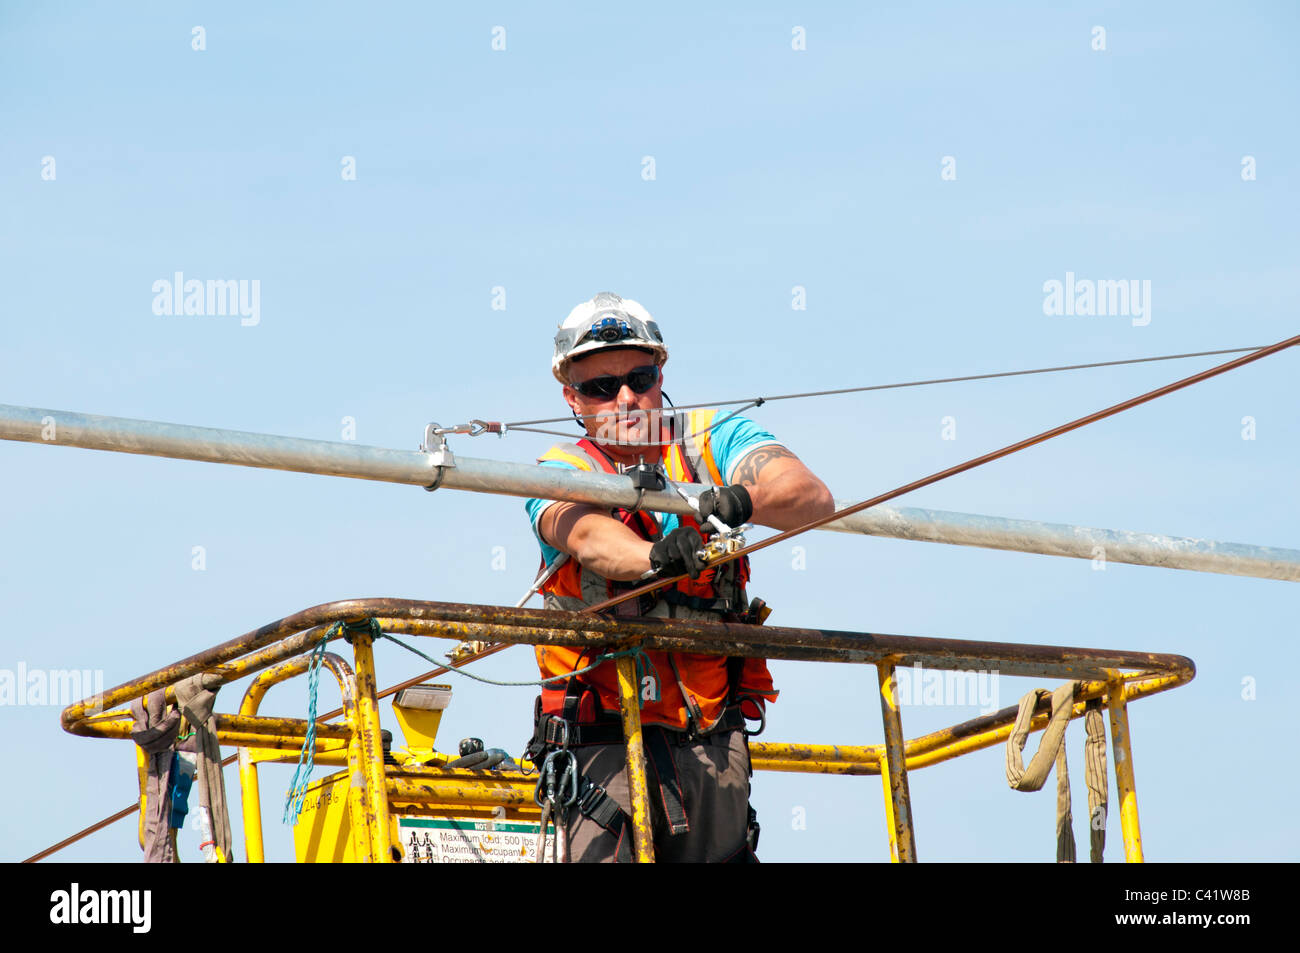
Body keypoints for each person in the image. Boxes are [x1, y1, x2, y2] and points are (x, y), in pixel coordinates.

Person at [523, 291, 834, 862]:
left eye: (640, 378)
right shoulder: (563, 469)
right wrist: (656, 557)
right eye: (600, 386)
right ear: (572, 396)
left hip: (712, 736)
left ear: (660, 372)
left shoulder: (712, 439)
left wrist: (744, 497)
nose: (626, 398)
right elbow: (589, 537)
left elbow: (811, 498)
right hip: (603, 741)